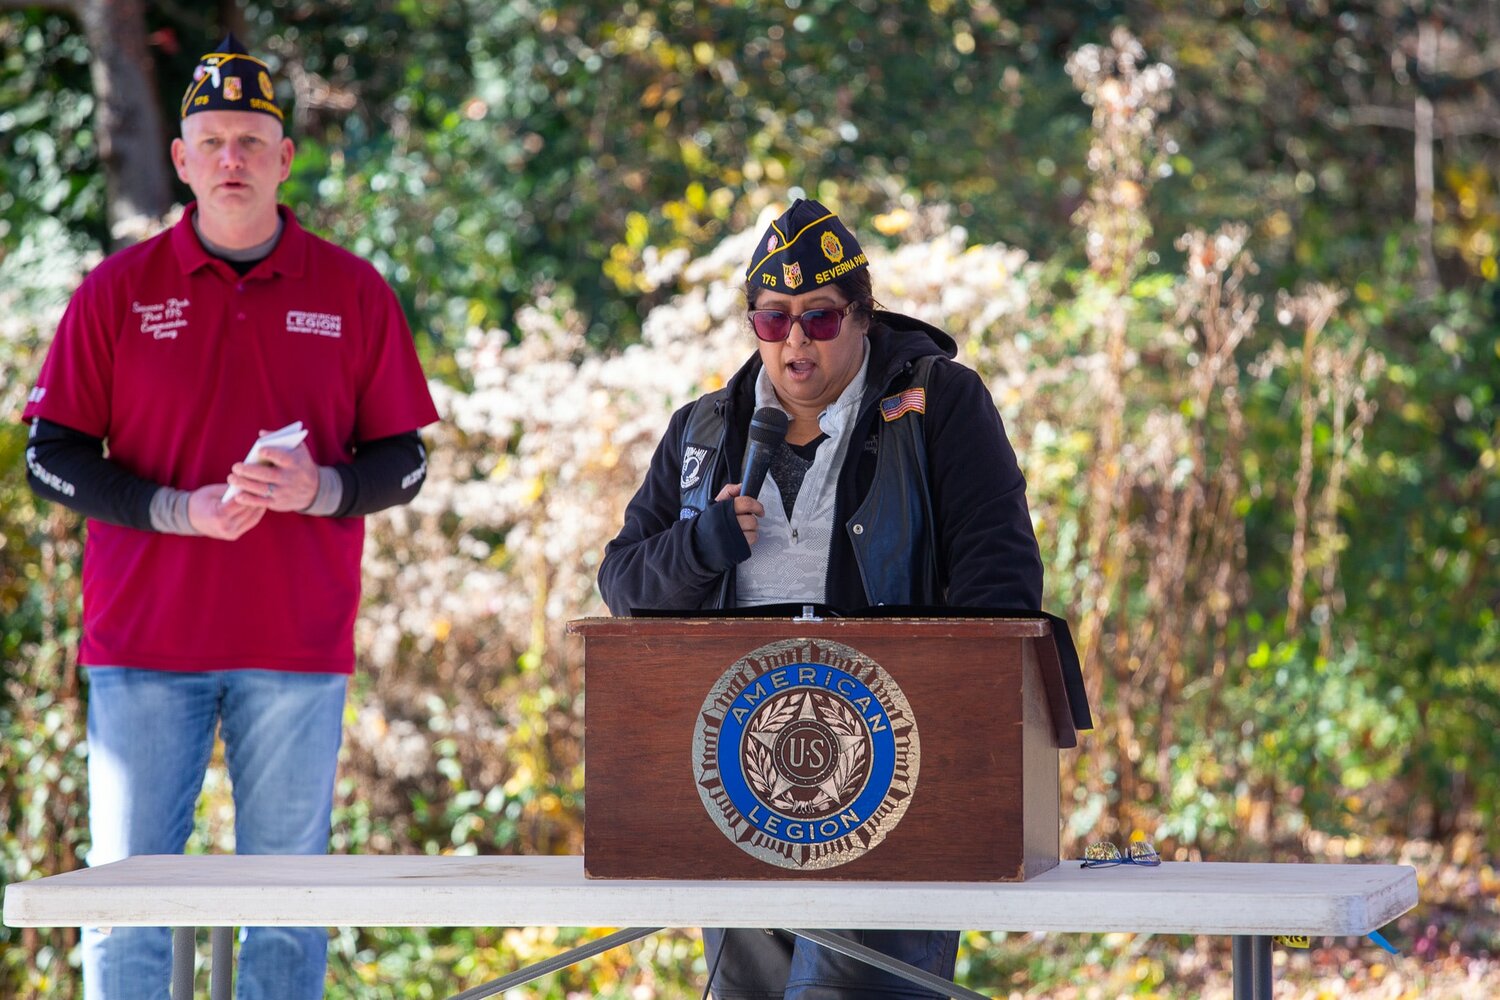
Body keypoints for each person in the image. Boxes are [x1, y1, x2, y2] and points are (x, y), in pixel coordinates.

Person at [22, 32, 439, 1000]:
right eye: (210, 140)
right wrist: (177, 508)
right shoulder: (116, 292)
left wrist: (321, 489)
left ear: (286, 156)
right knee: (124, 905)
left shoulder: (352, 290)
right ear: (179, 159)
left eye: (252, 140)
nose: (231, 159)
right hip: (141, 646)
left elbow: (406, 459)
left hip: (295, 647)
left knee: (287, 907)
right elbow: (52, 455)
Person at [598, 198, 1044, 999]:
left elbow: (1001, 583)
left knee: (840, 993)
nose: (796, 340)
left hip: (893, 777)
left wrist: (951, 729)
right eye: (773, 321)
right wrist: (700, 547)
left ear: (864, 317)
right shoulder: (703, 431)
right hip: (740, 777)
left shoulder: (939, 407)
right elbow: (622, 586)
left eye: (820, 318)